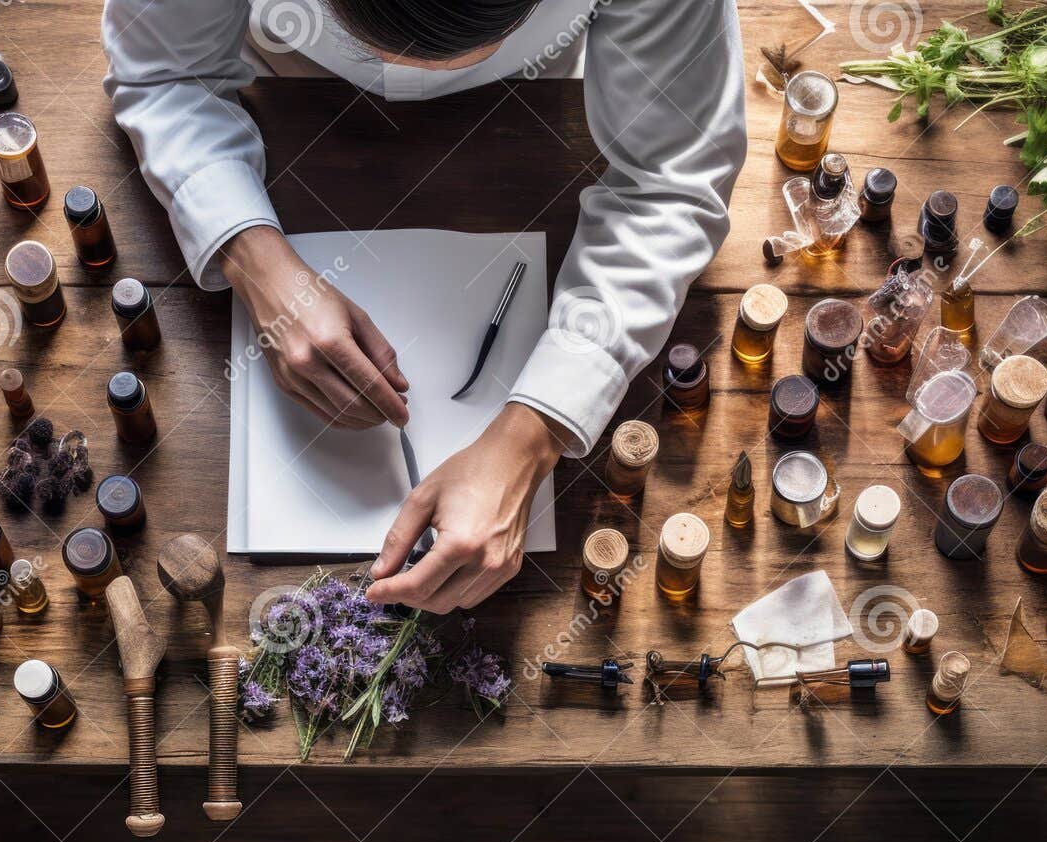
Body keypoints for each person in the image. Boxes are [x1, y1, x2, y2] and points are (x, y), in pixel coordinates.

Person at [103, 0, 747, 613]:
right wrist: (255, 262)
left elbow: (672, 175)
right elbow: (165, 72)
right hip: (294, 83)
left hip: (537, 91)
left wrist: (536, 430)